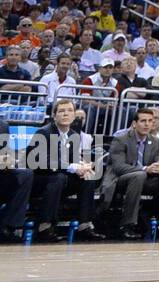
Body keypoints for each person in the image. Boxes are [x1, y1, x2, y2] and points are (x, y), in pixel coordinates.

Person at [25, 98, 103, 241]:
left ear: (74, 115)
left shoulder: (74, 135)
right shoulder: (43, 132)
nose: (66, 114)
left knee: (87, 177)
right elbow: (40, 161)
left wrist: (82, 166)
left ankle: (84, 225)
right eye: (61, 111)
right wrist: (72, 167)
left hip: (61, 178)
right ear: (54, 116)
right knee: (58, 178)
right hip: (40, 179)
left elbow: (72, 161)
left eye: (69, 111)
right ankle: (45, 226)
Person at [102, 106, 159, 239]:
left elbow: (157, 165)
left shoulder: (155, 141)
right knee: (139, 175)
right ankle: (127, 224)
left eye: (150, 121)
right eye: (143, 121)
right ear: (134, 124)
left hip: (144, 179)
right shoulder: (121, 139)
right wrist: (145, 169)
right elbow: (118, 167)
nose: (147, 124)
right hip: (120, 180)